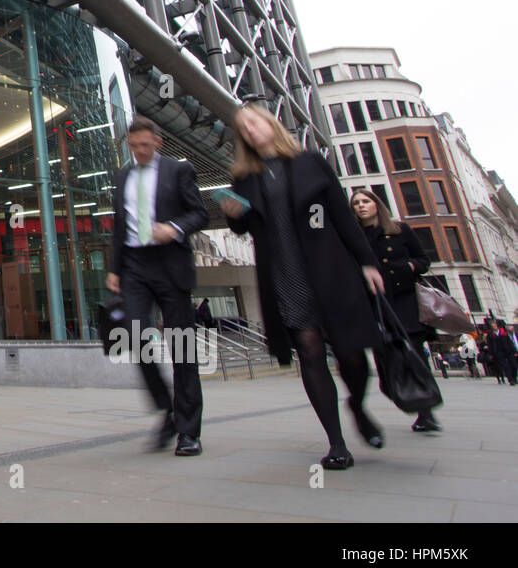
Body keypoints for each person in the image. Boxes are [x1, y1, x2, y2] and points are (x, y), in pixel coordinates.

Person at [217, 104, 385, 470]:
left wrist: (367, 263)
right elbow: (245, 228)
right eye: (243, 129)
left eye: (254, 122)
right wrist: (233, 215)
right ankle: (336, 442)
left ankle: (357, 404)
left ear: (270, 123)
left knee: (351, 352)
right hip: (284, 274)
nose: (250, 131)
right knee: (308, 349)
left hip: (329, 269)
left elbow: (342, 214)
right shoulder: (245, 179)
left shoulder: (309, 162)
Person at [105, 116, 210, 456]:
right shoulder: (122, 175)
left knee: (182, 348)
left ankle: (189, 430)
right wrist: (114, 269)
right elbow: (120, 226)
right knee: (133, 334)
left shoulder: (178, 171)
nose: (139, 152)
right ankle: (168, 408)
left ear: (158, 143)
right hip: (135, 265)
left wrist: (175, 228)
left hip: (170, 263)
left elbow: (200, 213)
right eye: (134, 147)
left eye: (145, 146)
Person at [349, 188, 441, 432]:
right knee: (385, 360)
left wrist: (407, 267)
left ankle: (426, 410)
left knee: (415, 354)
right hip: (376, 305)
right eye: (356, 203)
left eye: (366, 201)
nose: (361, 206)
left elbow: (423, 261)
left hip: (405, 302)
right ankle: (403, 394)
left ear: (376, 204)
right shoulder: (355, 237)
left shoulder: (399, 230)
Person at [488, 319, 518, 385]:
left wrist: (514, 351)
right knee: (506, 366)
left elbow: (510, 342)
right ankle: (511, 380)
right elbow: (490, 345)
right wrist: (491, 354)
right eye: (493, 325)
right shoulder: (490, 335)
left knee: (513, 365)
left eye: (495, 325)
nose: (494, 326)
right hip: (499, 352)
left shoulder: (503, 332)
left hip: (508, 351)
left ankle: (514, 378)